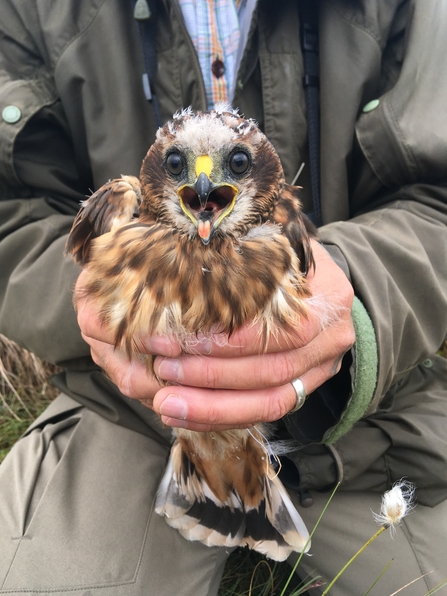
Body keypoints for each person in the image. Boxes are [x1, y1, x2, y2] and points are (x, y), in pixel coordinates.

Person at [0, 0, 446, 594]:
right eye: (183, 168)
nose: (205, 185)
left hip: (376, 410)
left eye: (233, 165)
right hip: (128, 412)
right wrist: (110, 302)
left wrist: (359, 293)